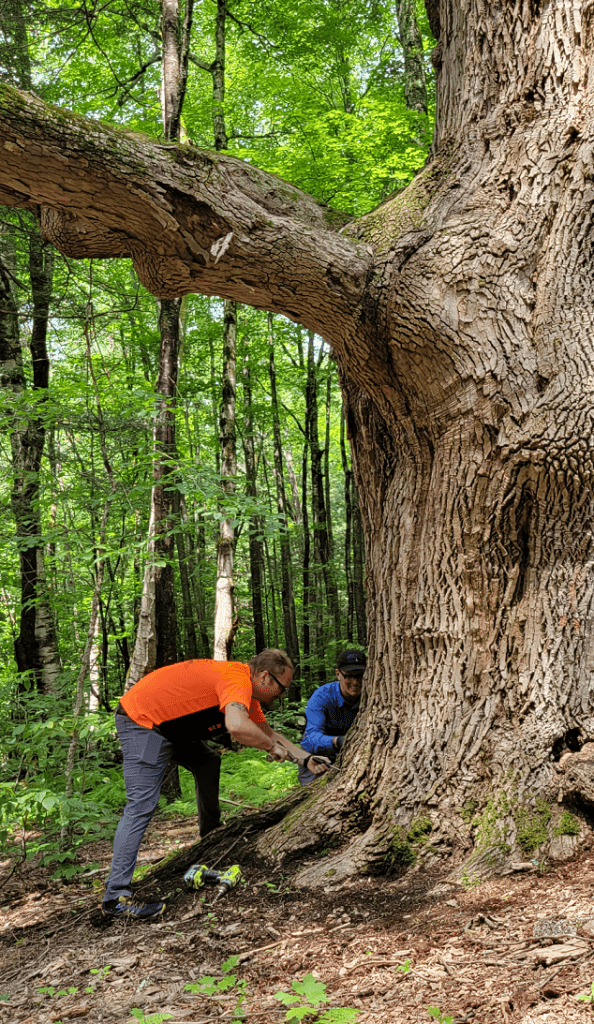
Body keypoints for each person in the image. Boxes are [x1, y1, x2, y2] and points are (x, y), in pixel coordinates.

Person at [102, 649, 330, 921]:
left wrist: (306, 760)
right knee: (141, 805)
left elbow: (270, 733)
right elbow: (237, 726)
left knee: (207, 762)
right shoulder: (237, 679)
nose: (282, 696)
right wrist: (270, 747)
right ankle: (115, 898)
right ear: (264, 677)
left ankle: (210, 839)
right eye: (282, 689)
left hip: (171, 729)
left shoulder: (247, 696)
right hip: (143, 722)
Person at [298, 649, 367, 786]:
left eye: (360, 676)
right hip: (317, 758)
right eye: (349, 676)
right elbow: (311, 738)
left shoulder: (373, 696)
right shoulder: (322, 697)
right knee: (314, 792)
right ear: (338, 674)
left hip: (353, 757)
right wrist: (337, 741)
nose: (355, 682)